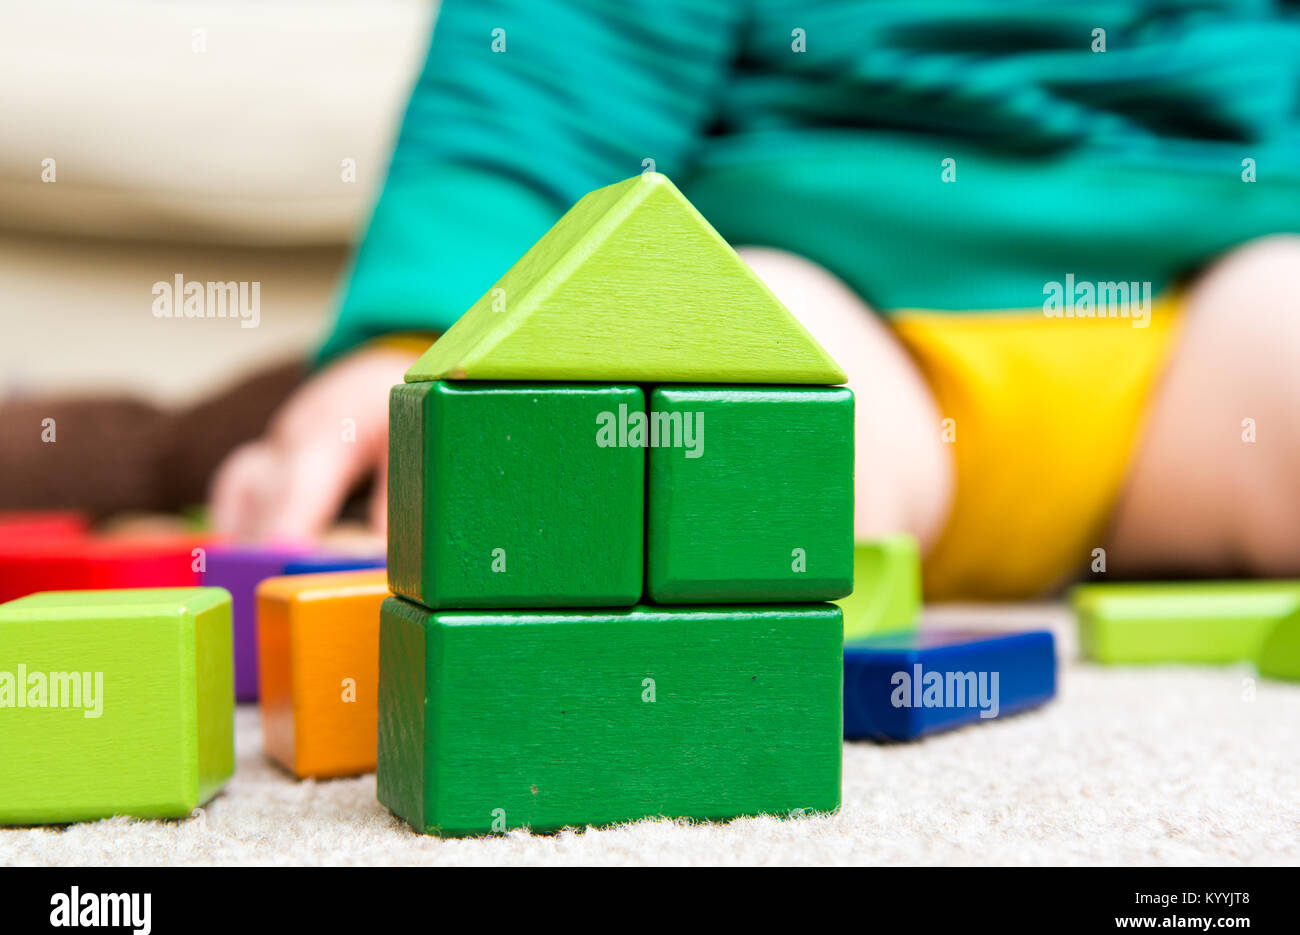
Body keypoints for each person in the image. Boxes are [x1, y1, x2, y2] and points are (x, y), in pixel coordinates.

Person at [39, 2, 1300, 600]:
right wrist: (417, 343)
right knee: (705, 420)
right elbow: (539, 90)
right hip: (840, 305)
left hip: (1206, 326)